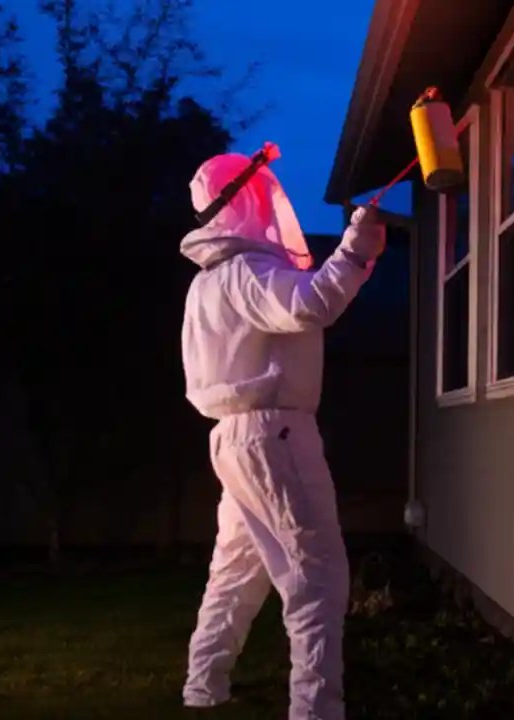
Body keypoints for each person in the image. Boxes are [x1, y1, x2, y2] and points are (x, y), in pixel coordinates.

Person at [177, 149, 385, 719]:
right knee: (317, 579)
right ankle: (316, 709)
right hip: (274, 436)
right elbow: (312, 303)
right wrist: (357, 249)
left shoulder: (207, 285)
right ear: (245, 200)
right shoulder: (246, 274)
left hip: (233, 440)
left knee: (236, 571)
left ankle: (203, 686)